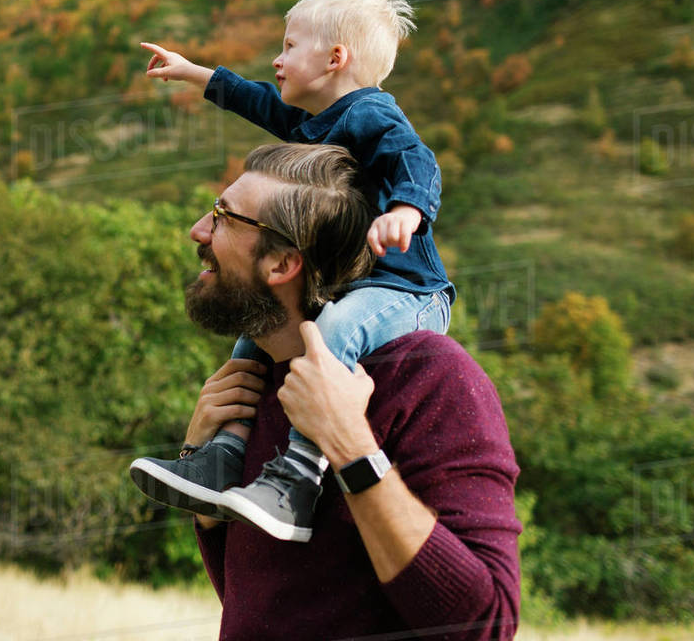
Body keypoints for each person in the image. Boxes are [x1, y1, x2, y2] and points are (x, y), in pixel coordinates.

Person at [143, 143, 520, 639]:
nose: (198, 230)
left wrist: (349, 444)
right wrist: (208, 470)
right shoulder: (253, 389)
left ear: (281, 265)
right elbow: (260, 607)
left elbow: (486, 625)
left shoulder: (430, 375)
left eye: (223, 217)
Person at [130, 0, 455, 542]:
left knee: (333, 331)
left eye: (289, 46)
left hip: (407, 292)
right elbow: (255, 100)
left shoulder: (370, 113)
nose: (276, 60)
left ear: (335, 59)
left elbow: (415, 159)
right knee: (254, 331)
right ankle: (223, 456)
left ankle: (296, 480)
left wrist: (407, 209)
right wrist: (192, 72)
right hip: (353, 284)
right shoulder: (314, 123)